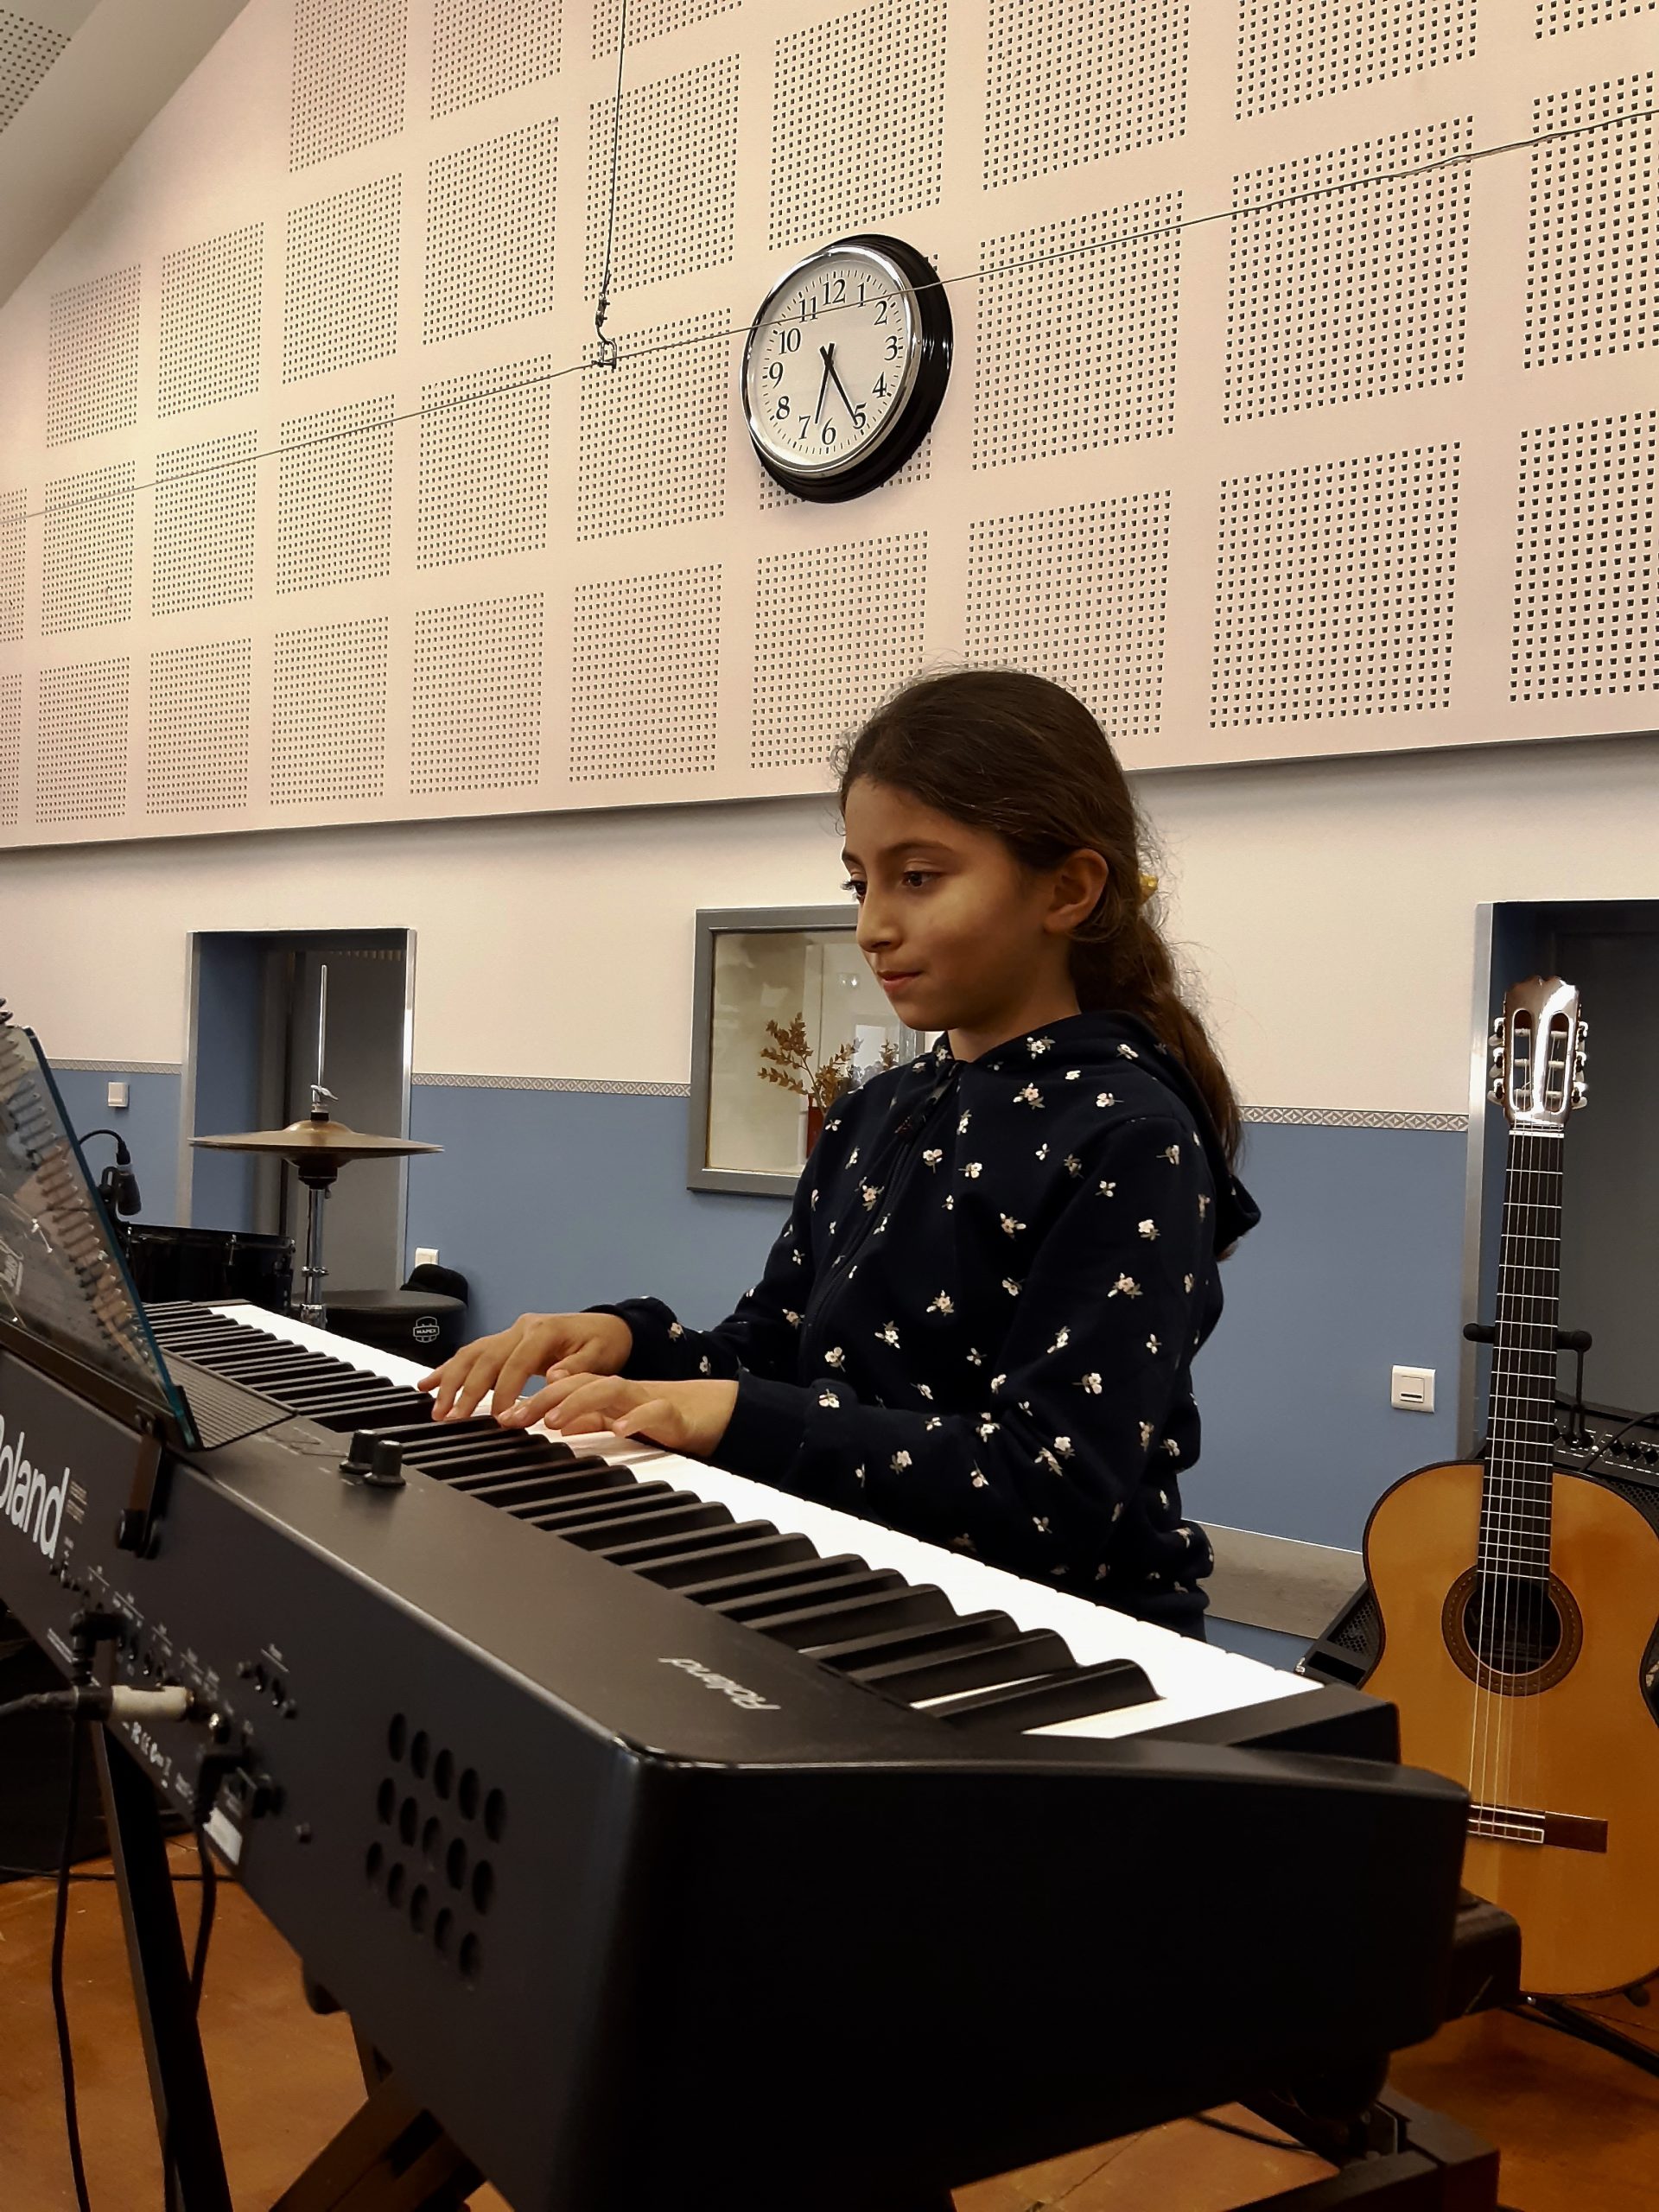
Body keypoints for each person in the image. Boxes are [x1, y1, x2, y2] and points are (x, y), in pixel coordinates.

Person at [419, 669, 1259, 1630]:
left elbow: (1051, 1488)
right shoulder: (878, 1108)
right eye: (861, 881)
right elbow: (775, 1345)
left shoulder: (1129, 1130)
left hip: (1057, 1638)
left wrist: (726, 1414)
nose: (872, 926)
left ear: (1067, 888)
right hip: (853, 1582)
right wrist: (632, 1340)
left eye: (919, 876)